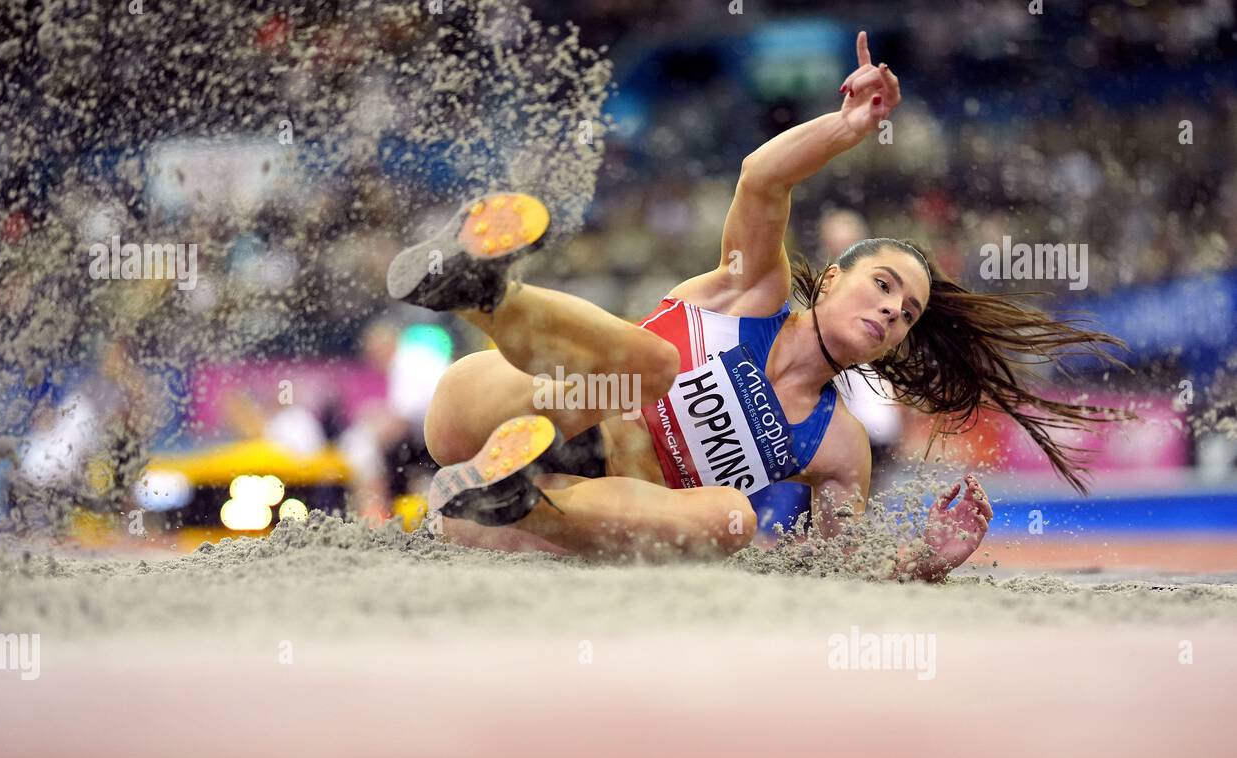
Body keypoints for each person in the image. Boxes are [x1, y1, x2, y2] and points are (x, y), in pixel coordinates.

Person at [386, 32, 1125, 580]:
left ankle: (510, 498)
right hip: (492, 408)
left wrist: (923, 563)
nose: (891, 313)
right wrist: (845, 128)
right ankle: (483, 292)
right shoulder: (751, 290)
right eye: (884, 286)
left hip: (579, 502)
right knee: (649, 365)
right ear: (830, 279)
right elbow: (761, 181)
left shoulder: (839, 449)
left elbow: (832, 572)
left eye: (904, 317)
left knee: (735, 517)